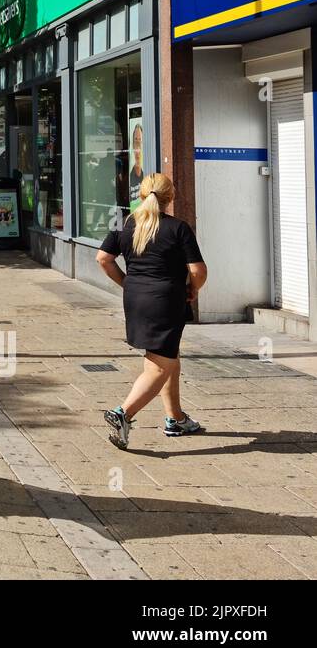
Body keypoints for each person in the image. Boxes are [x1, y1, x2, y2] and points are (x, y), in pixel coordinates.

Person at [97, 172, 209, 449]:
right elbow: (198, 270)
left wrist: (126, 282)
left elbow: (103, 259)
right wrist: (193, 289)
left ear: (141, 195)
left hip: (135, 299)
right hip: (165, 300)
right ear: (171, 197)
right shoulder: (177, 228)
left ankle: (175, 418)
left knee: (166, 356)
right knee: (159, 366)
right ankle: (123, 414)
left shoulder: (125, 225)